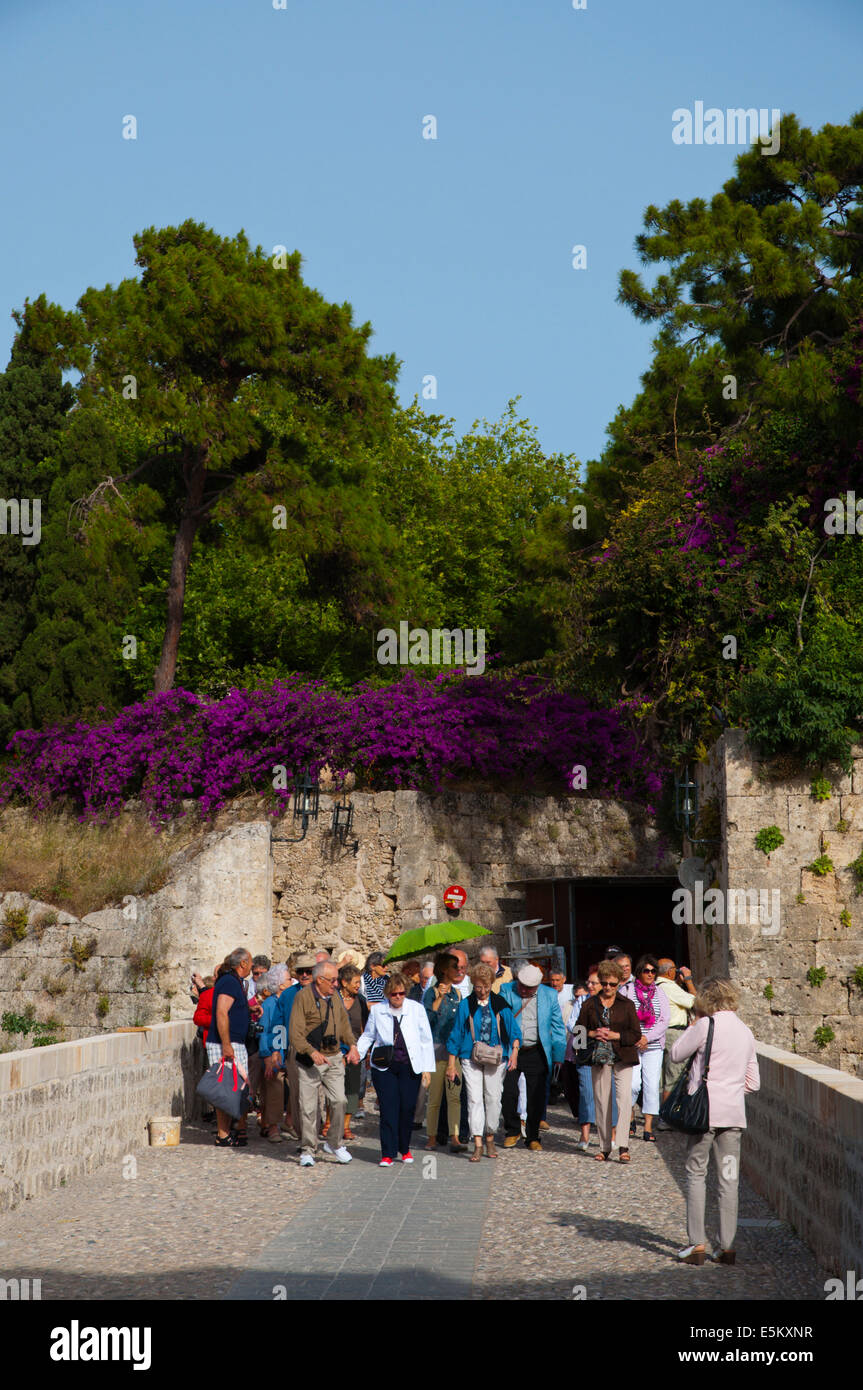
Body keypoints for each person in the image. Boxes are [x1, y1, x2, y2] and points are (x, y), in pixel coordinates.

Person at [670, 977, 760, 1265]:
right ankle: (727, 1245)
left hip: (703, 1115)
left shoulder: (706, 1026)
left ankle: (697, 1243)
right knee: (729, 1180)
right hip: (733, 1117)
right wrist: (731, 1090)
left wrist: (694, 1025)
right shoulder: (746, 1032)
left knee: (696, 1173)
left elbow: (674, 1054)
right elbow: (753, 1083)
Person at [356, 972, 435, 1166]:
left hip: (410, 1065)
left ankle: (404, 1147)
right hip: (385, 1067)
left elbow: (426, 1039)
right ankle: (387, 1153)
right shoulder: (377, 1011)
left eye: (401, 993)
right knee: (388, 1109)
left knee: (407, 1108)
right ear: (387, 994)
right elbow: (368, 1035)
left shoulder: (416, 1009)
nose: (398, 997)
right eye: (394, 994)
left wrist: (427, 1068)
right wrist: (356, 1054)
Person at [289, 960, 360, 1167]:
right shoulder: (302, 998)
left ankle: (335, 1143)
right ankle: (308, 1149)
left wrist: (352, 1045)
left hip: (334, 1057)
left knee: (339, 1101)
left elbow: (344, 1024)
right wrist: (312, 1052)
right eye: (333, 980)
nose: (336, 984)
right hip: (310, 1060)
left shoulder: (334, 997)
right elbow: (295, 1033)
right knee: (309, 1107)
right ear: (319, 980)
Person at [446, 963, 520, 1160]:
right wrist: (451, 1064)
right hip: (471, 1056)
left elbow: (514, 1030)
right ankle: (478, 1142)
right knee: (474, 1099)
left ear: (491, 984)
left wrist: (514, 1052)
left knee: (494, 1098)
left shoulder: (500, 1004)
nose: (482, 990)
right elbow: (456, 1034)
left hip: (497, 1056)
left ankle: (490, 1137)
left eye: (486, 986)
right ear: (473, 985)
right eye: (478, 986)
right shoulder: (466, 1005)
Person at [579, 958, 641, 1164]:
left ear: (619, 984)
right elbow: (578, 1033)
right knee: (602, 1101)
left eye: (612, 984)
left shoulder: (627, 1005)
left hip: (623, 1057)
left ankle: (623, 1145)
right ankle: (605, 1147)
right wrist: (593, 1033)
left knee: (623, 1101)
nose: (607, 987)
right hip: (599, 1057)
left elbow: (635, 1034)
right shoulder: (589, 1004)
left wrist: (616, 1036)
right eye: (604, 983)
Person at [500, 964, 566, 1151]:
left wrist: (558, 1055)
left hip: (536, 1050)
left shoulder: (549, 995)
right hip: (512, 1050)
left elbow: (558, 1027)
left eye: (528, 988)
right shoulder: (506, 990)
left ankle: (533, 1136)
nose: (523, 990)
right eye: (521, 985)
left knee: (536, 1096)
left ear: (537, 986)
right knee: (509, 1093)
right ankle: (512, 1130)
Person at [206, 948, 253, 1148]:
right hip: (226, 1043)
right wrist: (226, 1045)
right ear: (242, 964)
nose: (251, 966)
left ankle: (235, 1130)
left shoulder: (234, 982)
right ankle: (223, 1134)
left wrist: (248, 1010)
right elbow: (221, 1012)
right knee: (225, 1088)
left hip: (234, 1042)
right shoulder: (228, 982)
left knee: (237, 1088)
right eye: (250, 962)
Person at [424, 951, 467, 1152]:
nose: (458, 970)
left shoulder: (457, 994)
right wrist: (438, 999)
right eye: (453, 967)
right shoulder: (431, 993)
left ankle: (455, 1136)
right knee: (434, 1098)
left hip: (452, 1052)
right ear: (443, 970)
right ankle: (431, 1137)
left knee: (454, 1096)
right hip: (434, 1049)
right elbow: (426, 1022)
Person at [629, 955, 670, 1141]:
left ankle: (647, 1128)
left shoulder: (660, 993)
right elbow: (624, 1017)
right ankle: (629, 1119)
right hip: (632, 1046)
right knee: (633, 1085)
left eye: (654, 971)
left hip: (653, 1047)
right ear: (639, 972)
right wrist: (638, 1037)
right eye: (647, 971)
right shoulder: (628, 990)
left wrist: (647, 1037)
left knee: (652, 1086)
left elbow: (664, 1020)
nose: (651, 974)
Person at [656, 957, 697, 1116]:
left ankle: (662, 1114)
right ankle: (666, 1117)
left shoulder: (657, 986)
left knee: (663, 1078)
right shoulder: (668, 986)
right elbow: (696, 1002)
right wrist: (688, 980)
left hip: (662, 1033)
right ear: (669, 971)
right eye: (675, 969)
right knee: (673, 1077)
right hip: (674, 1033)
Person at [337, 962, 369, 1140]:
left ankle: (346, 1126)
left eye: (359, 982)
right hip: (335, 1050)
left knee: (352, 1089)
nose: (358, 985)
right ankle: (329, 1123)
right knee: (333, 1090)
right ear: (344, 982)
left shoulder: (361, 1001)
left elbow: (365, 1027)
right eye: (355, 982)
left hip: (355, 1050)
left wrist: (365, 1052)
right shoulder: (334, 999)